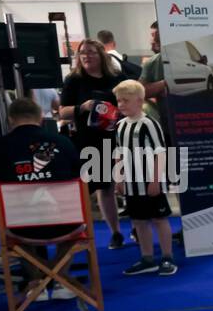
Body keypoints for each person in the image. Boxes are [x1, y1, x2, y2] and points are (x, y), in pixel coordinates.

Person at [0, 97, 83, 301]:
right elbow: (80, 177)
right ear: (39, 118)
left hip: (20, 226)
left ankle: (37, 282)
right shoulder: (63, 142)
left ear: (10, 119)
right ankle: (61, 277)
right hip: (66, 223)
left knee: (18, 233)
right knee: (75, 229)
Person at [60, 37, 127, 247]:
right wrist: (84, 107)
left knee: (126, 186)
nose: (87, 56)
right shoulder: (73, 80)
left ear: (101, 55)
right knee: (101, 188)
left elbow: (130, 104)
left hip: (117, 139)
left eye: (91, 52)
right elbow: (63, 111)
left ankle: (136, 225)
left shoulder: (116, 78)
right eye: (83, 53)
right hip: (88, 142)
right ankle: (114, 232)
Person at [112, 80, 177, 276]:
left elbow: (160, 152)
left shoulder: (149, 124)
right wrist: (119, 178)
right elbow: (119, 153)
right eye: (119, 101)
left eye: (126, 100)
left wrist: (156, 180)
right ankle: (147, 257)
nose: (121, 104)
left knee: (159, 218)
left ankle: (167, 257)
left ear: (140, 101)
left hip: (150, 181)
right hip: (132, 184)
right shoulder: (121, 125)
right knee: (138, 221)